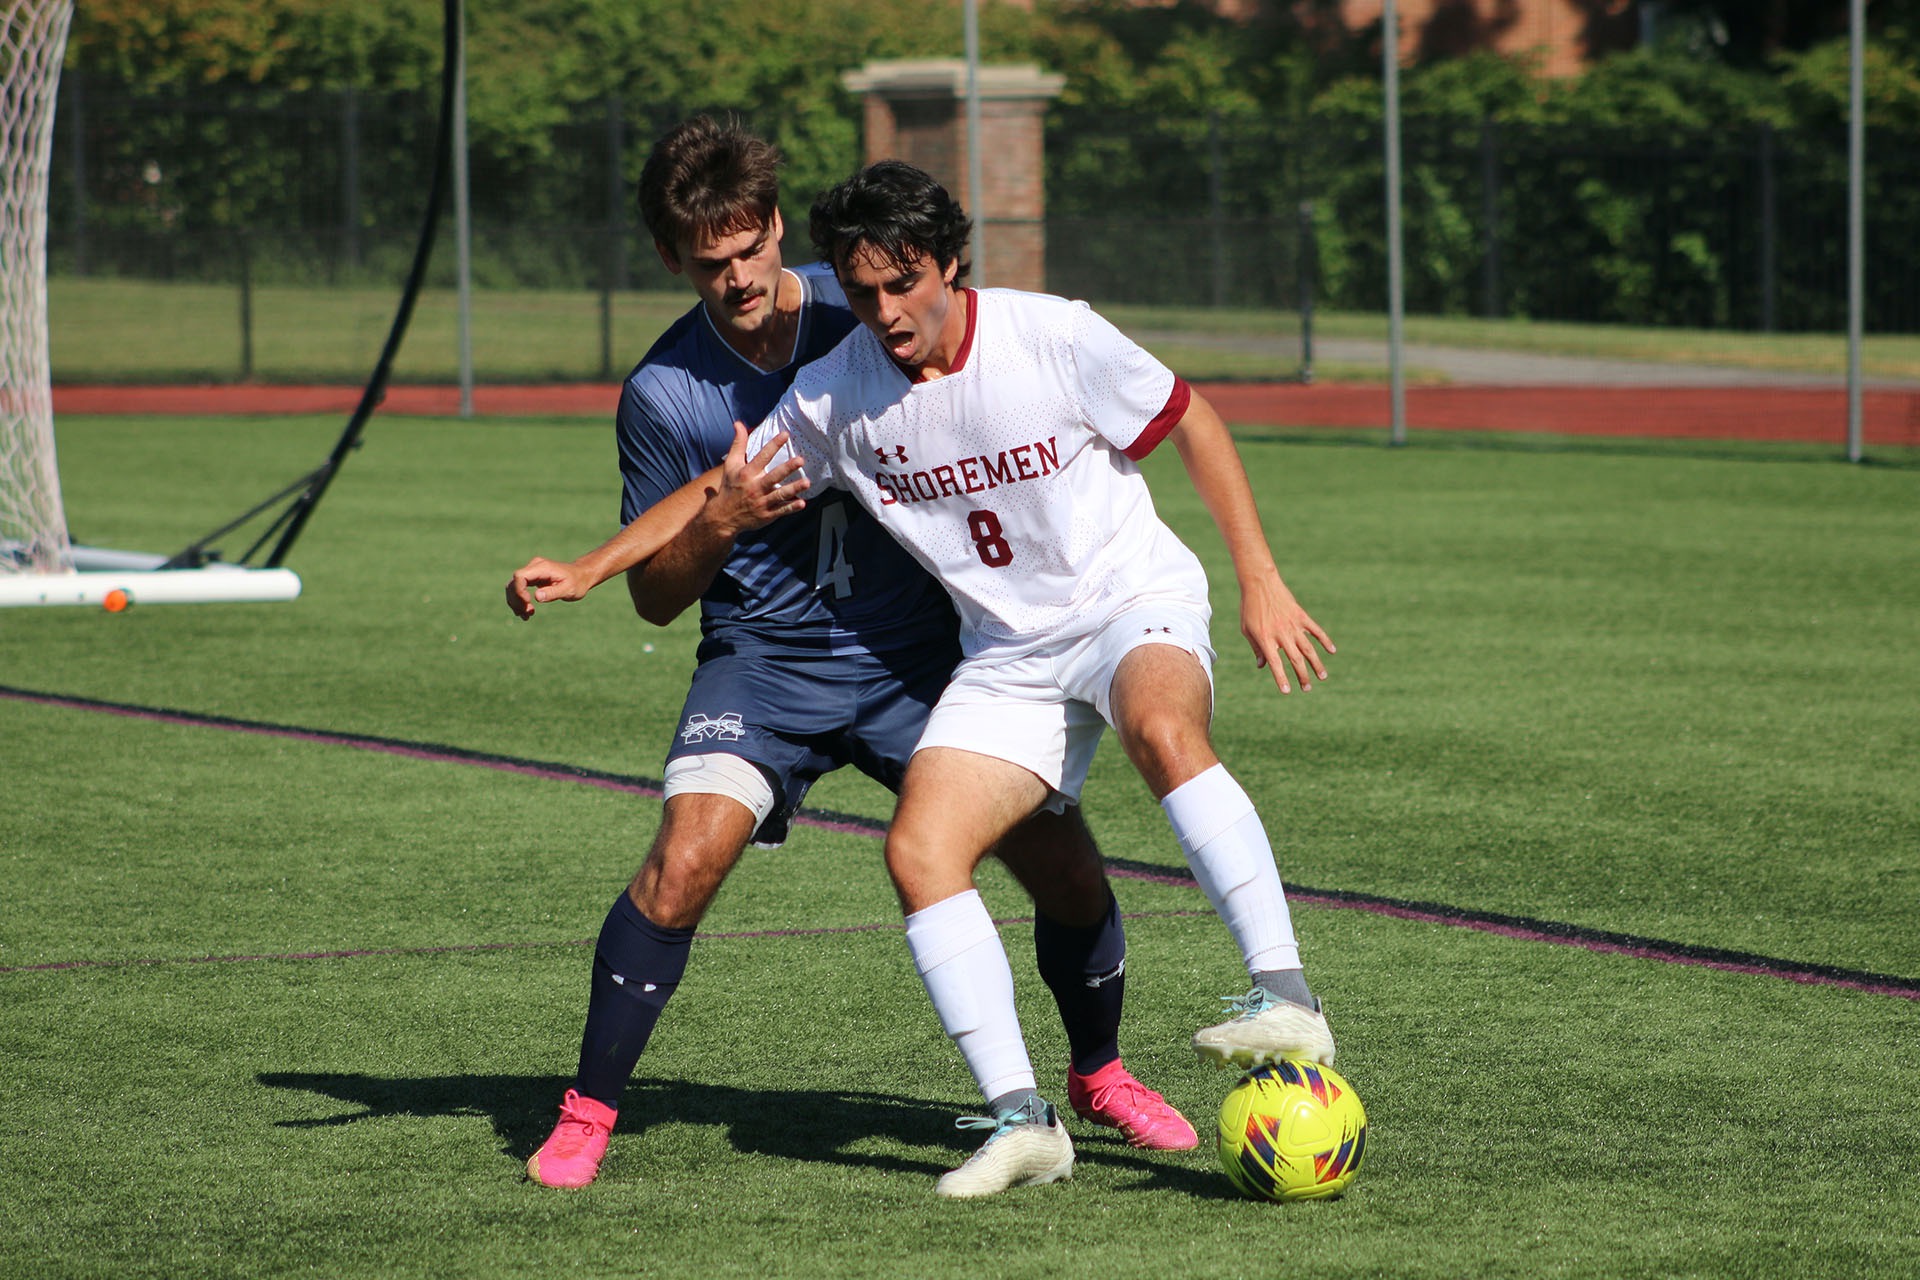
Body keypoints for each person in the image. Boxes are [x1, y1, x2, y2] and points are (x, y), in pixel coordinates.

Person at [504, 120, 1194, 1191]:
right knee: (683, 861)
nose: (736, 278)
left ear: (778, 227)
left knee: (1064, 861)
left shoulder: (862, 295)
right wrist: (715, 525)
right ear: (670, 261)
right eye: (707, 263)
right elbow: (658, 597)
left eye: (749, 250)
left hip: (917, 653)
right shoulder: (664, 392)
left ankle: (1100, 1070)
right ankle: (588, 1109)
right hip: (762, 662)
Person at [716, 159, 1341, 1197]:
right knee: (920, 849)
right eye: (861, 290)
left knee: (1161, 728)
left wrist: (1261, 579)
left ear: (949, 260)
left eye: (902, 281)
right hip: (1008, 656)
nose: (883, 309)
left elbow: (1194, 418)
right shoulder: (837, 390)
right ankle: (1023, 1119)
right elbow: (726, 487)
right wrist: (595, 567)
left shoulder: (1051, 331)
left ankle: (1286, 994)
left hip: (1127, 600)